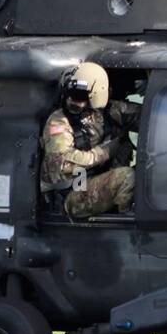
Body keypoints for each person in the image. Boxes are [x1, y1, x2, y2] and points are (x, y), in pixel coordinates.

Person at [40, 62, 141, 218]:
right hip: (73, 193)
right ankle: (127, 216)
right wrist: (103, 153)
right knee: (128, 177)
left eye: (79, 96)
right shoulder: (59, 122)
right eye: (70, 94)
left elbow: (147, 117)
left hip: (95, 182)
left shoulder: (108, 112)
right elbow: (62, 162)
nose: (72, 101)